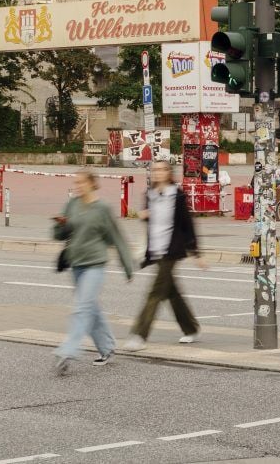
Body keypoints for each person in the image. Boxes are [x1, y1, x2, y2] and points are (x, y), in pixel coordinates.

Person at [51, 169, 134, 374]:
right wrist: (60, 225)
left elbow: (116, 237)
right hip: (76, 263)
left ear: (92, 184)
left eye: (81, 182)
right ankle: (107, 348)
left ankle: (67, 351)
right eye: (76, 182)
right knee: (91, 309)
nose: (77, 186)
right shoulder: (72, 204)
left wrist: (127, 265)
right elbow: (59, 235)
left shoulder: (102, 208)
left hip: (95, 264)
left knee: (82, 308)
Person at [126, 160, 202, 349]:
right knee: (171, 292)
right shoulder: (150, 194)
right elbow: (150, 221)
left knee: (155, 293)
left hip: (172, 250)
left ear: (169, 172)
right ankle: (191, 328)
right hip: (155, 249)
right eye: (155, 170)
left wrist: (195, 252)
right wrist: (144, 216)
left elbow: (187, 225)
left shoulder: (177, 195)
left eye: (162, 169)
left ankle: (139, 335)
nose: (158, 173)